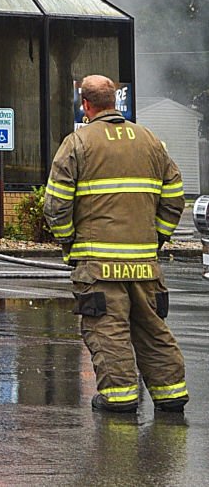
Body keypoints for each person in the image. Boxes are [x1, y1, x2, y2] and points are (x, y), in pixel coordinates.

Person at [44, 74, 187, 416]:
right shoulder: (150, 141)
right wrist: (156, 238)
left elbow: (56, 205)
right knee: (152, 328)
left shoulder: (77, 143)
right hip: (144, 264)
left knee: (108, 331)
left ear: (86, 104)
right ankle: (171, 394)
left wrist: (69, 243)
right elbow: (175, 198)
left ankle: (119, 397)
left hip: (98, 265)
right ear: (116, 102)